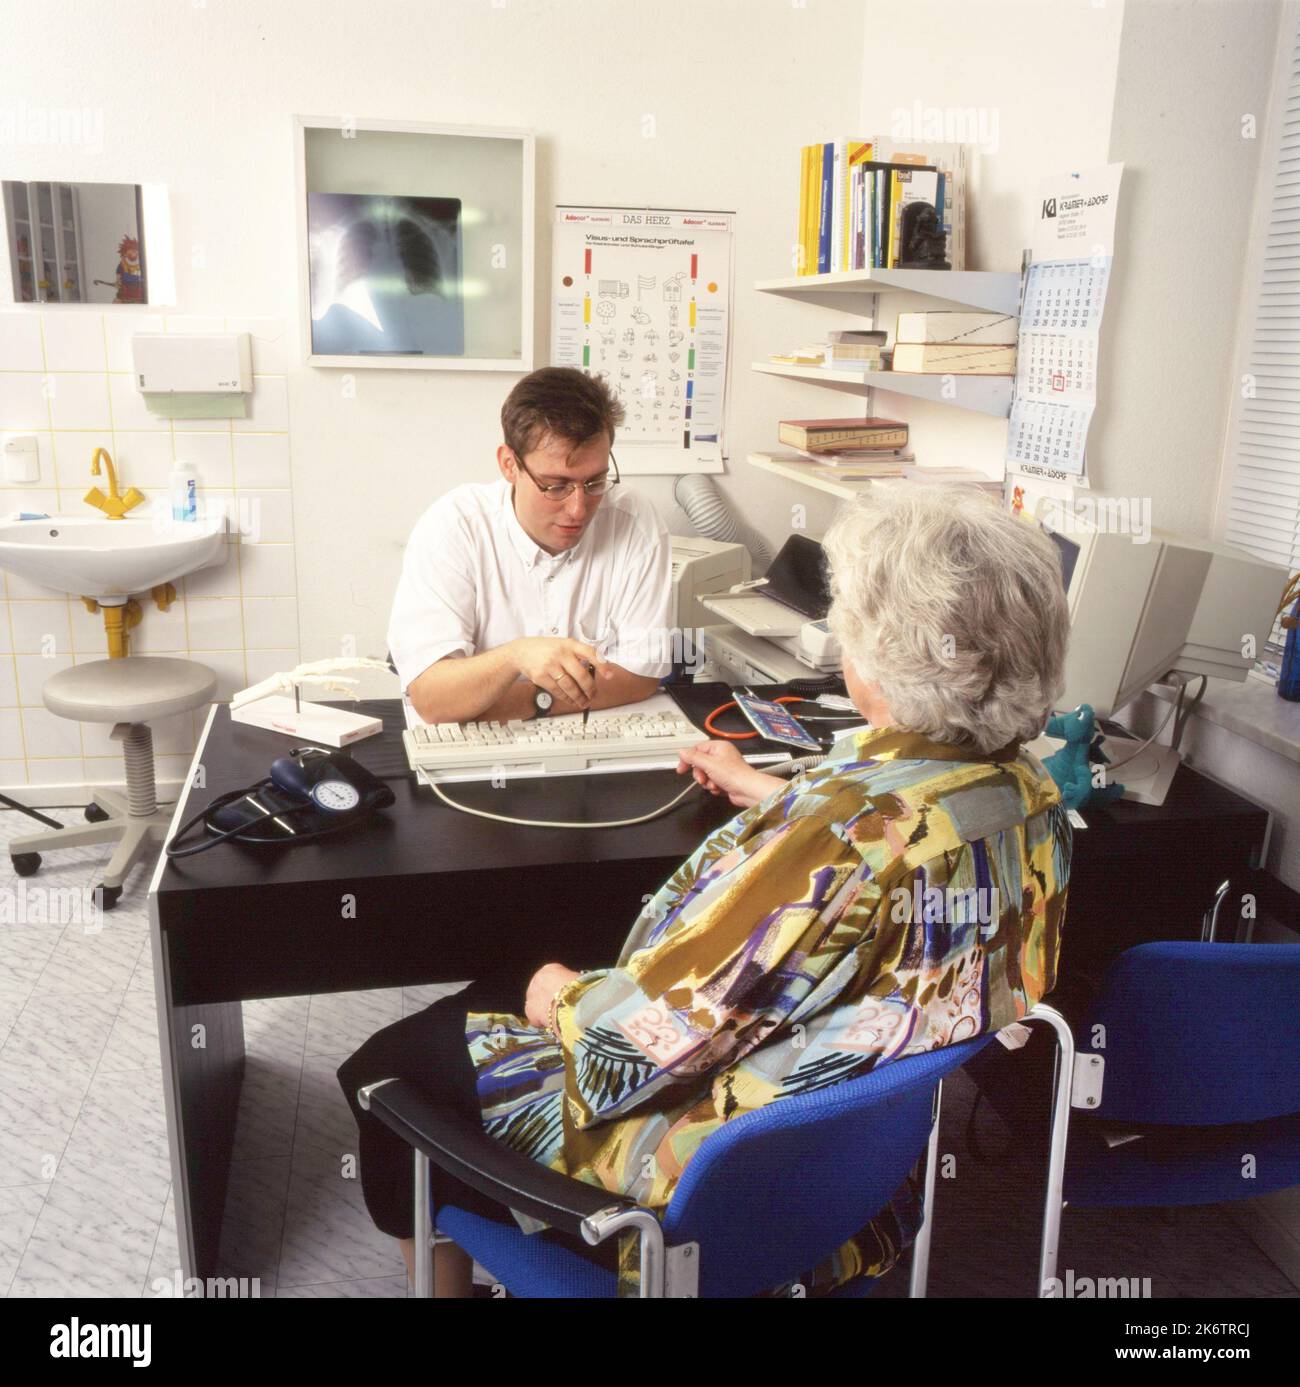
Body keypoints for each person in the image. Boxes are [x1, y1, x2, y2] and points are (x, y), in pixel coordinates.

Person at [339, 484, 1073, 1297]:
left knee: (389, 1066)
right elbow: (903, 842)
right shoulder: (1027, 796)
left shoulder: (838, 841)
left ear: (894, 654)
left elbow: (625, 1057)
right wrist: (779, 796)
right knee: (507, 988)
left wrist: (555, 996)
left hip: (697, 1187)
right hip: (849, 1181)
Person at [387, 366, 673, 725]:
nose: (578, 508)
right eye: (555, 485)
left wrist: (523, 701)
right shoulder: (454, 527)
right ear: (510, 465)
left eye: (595, 482)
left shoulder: (635, 521)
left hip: (584, 739)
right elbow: (432, 697)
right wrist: (516, 656)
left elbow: (640, 677)